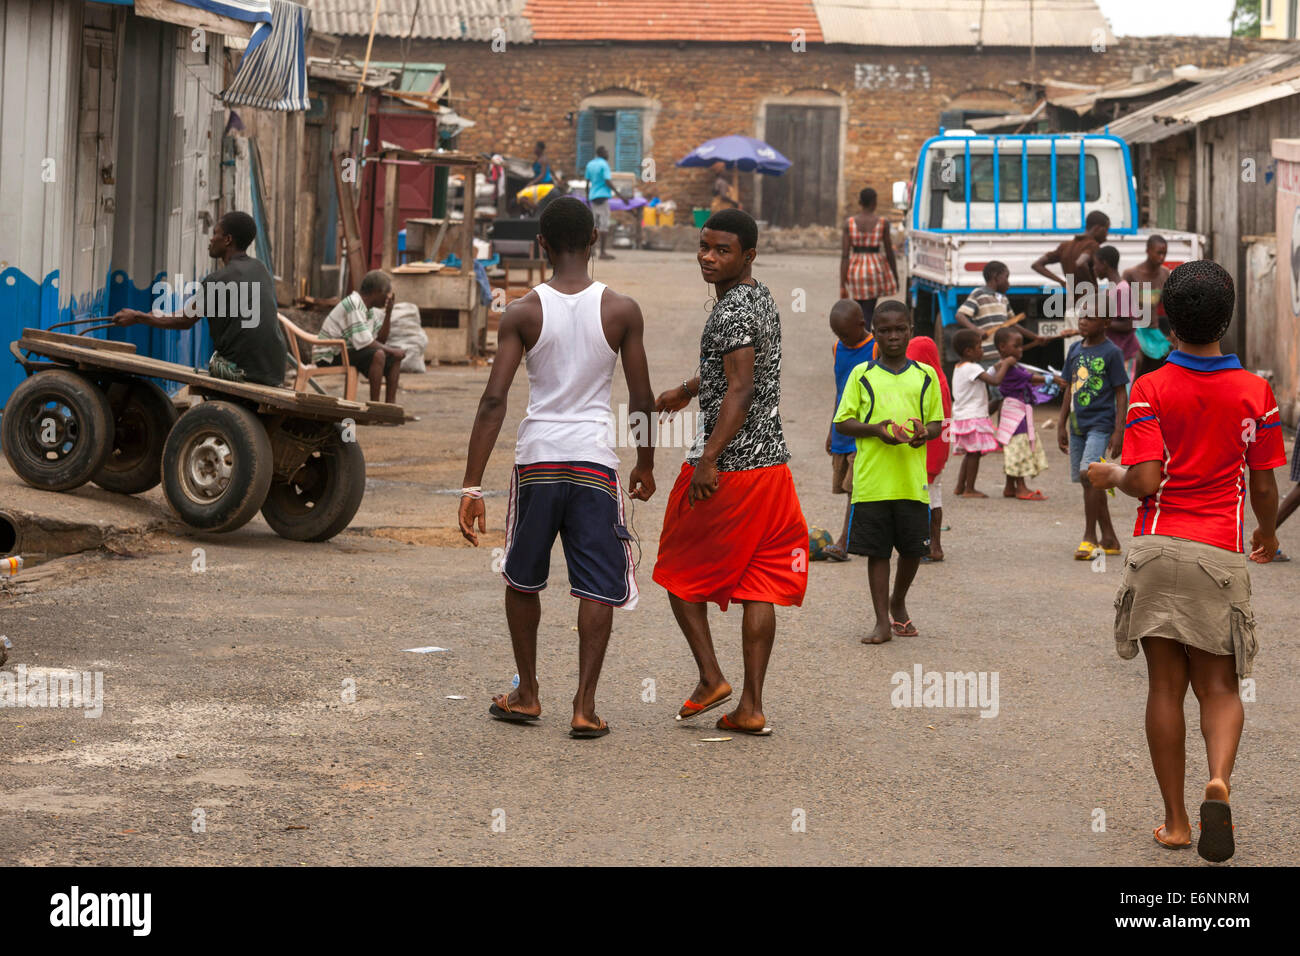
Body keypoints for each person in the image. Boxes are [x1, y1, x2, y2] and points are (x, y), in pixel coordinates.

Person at [1088, 260, 1284, 863]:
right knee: (1220, 685)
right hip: (1216, 556)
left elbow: (1146, 481)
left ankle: (1175, 823)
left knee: (1164, 688)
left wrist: (1110, 473)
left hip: (1155, 550)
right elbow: (1266, 487)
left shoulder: (1151, 388)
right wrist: (1269, 536)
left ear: (1167, 322)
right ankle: (1218, 781)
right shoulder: (1256, 392)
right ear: (1229, 318)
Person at [457, 196, 656, 740]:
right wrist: (644, 464)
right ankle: (584, 708)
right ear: (594, 239)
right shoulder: (621, 310)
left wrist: (472, 485)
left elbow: (494, 400)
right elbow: (640, 396)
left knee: (522, 578)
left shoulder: (522, 312)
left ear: (540, 244)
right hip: (595, 463)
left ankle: (528, 693)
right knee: (596, 586)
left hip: (539, 461)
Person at [653, 208, 807, 736]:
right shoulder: (757, 296)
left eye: (722, 251)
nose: (708, 257)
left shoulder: (731, 311)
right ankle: (751, 707)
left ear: (748, 256)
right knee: (761, 582)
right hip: (773, 469)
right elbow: (738, 369)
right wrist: (690, 389)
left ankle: (711, 677)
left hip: (732, 470)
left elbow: (740, 388)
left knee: (675, 567)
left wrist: (709, 460)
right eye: (704, 246)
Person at [833, 300, 943, 643]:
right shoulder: (861, 375)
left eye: (900, 329)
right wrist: (876, 429)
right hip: (872, 482)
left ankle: (898, 600)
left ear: (910, 331)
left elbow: (937, 422)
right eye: (885, 330)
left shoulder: (925, 376)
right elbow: (844, 421)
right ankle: (882, 621)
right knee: (877, 552)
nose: (893, 336)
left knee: (913, 550)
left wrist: (924, 433)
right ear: (874, 334)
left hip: (912, 482)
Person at [112, 211, 287, 386]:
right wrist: (153, 315)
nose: (211, 240)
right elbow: (190, 312)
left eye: (215, 234)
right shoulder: (261, 269)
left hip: (240, 371)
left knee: (213, 363)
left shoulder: (217, 280)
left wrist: (137, 317)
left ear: (227, 240)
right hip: (275, 369)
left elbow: (185, 320)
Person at [1056, 306, 1128, 559]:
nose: (1084, 322)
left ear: (1106, 322)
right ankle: (1109, 537)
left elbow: (1121, 392)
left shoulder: (1112, 352)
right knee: (1090, 482)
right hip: (1077, 425)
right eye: (1082, 316)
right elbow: (1068, 388)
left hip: (1101, 424)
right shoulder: (1075, 349)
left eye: (1091, 318)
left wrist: (1119, 431)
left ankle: (1090, 538)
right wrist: (1061, 423)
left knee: (1089, 475)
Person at [823, 300, 874, 562]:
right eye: (838, 335)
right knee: (854, 488)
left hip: (866, 431)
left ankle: (844, 541)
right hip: (843, 428)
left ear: (861, 324)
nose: (842, 339)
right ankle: (864, 536)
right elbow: (840, 390)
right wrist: (831, 429)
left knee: (857, 488)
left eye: (846, 333)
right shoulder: (837, 348)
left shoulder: (875, 348)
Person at [994, 327, 1064, 500]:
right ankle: (1021, 488)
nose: (1020, 350)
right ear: (1002, 347)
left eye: (1020, 346)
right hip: (1015, 414)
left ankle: (1010, 486)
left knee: (1014, 447)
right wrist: (1052, 378)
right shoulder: (1008, 367)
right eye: (1016, 346)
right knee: (1019, 448)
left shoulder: (1010, 365)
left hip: (1015, 412)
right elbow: (1030, 378)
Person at [315, 270, 404, 404]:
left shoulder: (370, 310)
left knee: (394, 358)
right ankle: (375, 407)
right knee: (379, 354)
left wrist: (389, 313)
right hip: (328, 355)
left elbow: (380, 340)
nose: (388, 297)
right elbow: (366, 342)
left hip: (347, 351)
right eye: (386, 293)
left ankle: (390, 408)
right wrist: (392, 350)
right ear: (376, 292)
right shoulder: (354, 304)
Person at [905, 333, 952, 562]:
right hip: (938, 452)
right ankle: (935, 546)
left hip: (929, 453)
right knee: (935, 499)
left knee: (923, 500)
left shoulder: (930, 385)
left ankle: (927, 545)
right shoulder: (941, 381)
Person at [950, 328, 1012, 498]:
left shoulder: (960, 367)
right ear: (969, 351)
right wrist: (1006, 365)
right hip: (972, 417)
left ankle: (960, 486)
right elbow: (995, 381)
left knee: (970, 453)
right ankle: (970, 489)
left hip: (964, 417)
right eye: (979, 347)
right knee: (974, 454)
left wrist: (997, 366)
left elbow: (987, 374)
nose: (982, 350)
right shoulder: (972, 367)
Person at [839, 187, 898, 324]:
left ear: (860, 202)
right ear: (874, 202)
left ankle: (859, 338)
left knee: (858, 308)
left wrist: (842, 284)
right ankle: (867, 338)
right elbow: (889, 252)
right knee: (869, 310)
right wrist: (895, 275)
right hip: (875, 269)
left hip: (855, 270)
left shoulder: (849, 223)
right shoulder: (883, 223)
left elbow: (845, 255)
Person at [1123, 235, 1174, 379]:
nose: (1162, 257)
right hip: (1134, 330)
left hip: (1153, 330)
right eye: (1159, 253)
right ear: (1148, 251)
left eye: (1164, 253)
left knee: (1171, 360)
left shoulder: (1164, 274)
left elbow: (1168, 305)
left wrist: (1171, 333)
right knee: (1136, 361)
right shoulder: (1131, 274)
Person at [1096, 245, 1140, 389]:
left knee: (1121, 398)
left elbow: (1128, 324)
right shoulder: (1112, 288)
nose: (1094, 268)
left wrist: (1101, 323)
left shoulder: (1122, 289)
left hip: (1125, 354)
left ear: (1104, 263)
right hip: (1116, 354)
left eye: (1096, 264)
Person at [1032, 210, 1110, 291]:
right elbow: (1080, 263)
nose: (1107, 234)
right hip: (1090, 299)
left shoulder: (1065, 246)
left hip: (1072, 300)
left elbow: (1036, 265)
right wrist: (1093, 286)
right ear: (1097, 228)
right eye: (1106, 230)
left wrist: (1062, 282)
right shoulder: (1092, 245)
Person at [584, 146, 618, 261]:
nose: (608, 154)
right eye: (606, 152)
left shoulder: (590, 164)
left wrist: (587, 196)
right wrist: (619, 194)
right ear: (601, 153)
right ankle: (602, 252)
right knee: (604, 225)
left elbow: (587, 182)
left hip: (593, 196)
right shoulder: (604, 164)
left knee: (593, 225)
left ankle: (591, 251)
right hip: (603, 196)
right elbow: (607, 181)